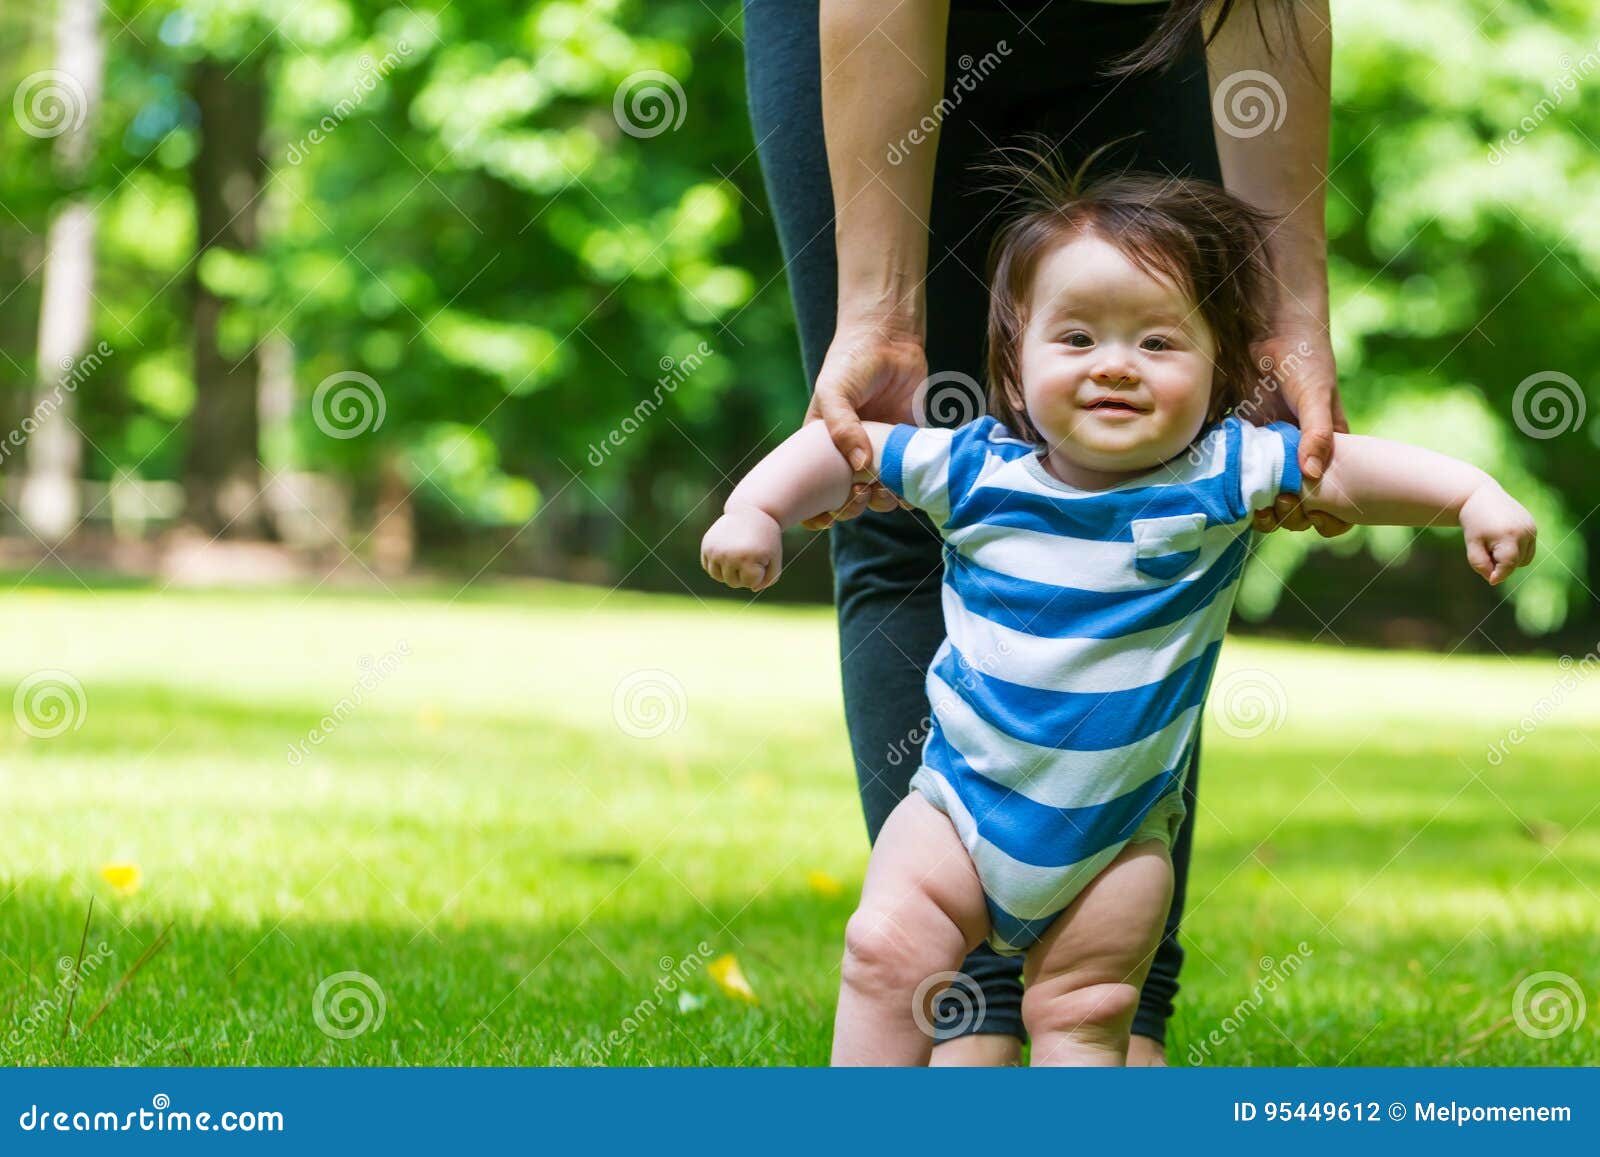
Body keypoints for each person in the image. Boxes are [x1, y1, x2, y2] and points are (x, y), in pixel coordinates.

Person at [700, 168, 1537, 1065]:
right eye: (1076, 337)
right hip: (959, 807)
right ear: (1015, 366)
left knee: (1087, 1010)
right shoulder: (975, 470)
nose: (1114, 363)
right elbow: (843, 447)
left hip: (1119, 836)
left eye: (1158, 341)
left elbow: (1344, 469)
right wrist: (755, 510)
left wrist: (1470, 494)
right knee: (883, 953)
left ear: (1219, 369)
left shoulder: (1224, 473)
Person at [742, 0, 1350, 1063]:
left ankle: (1108, 1006)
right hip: (868, 26)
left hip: (1139, 24)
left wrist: (1289, 317)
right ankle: (966, 1010)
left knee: (1160, 505)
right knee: (896, 510)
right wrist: (878, 314)